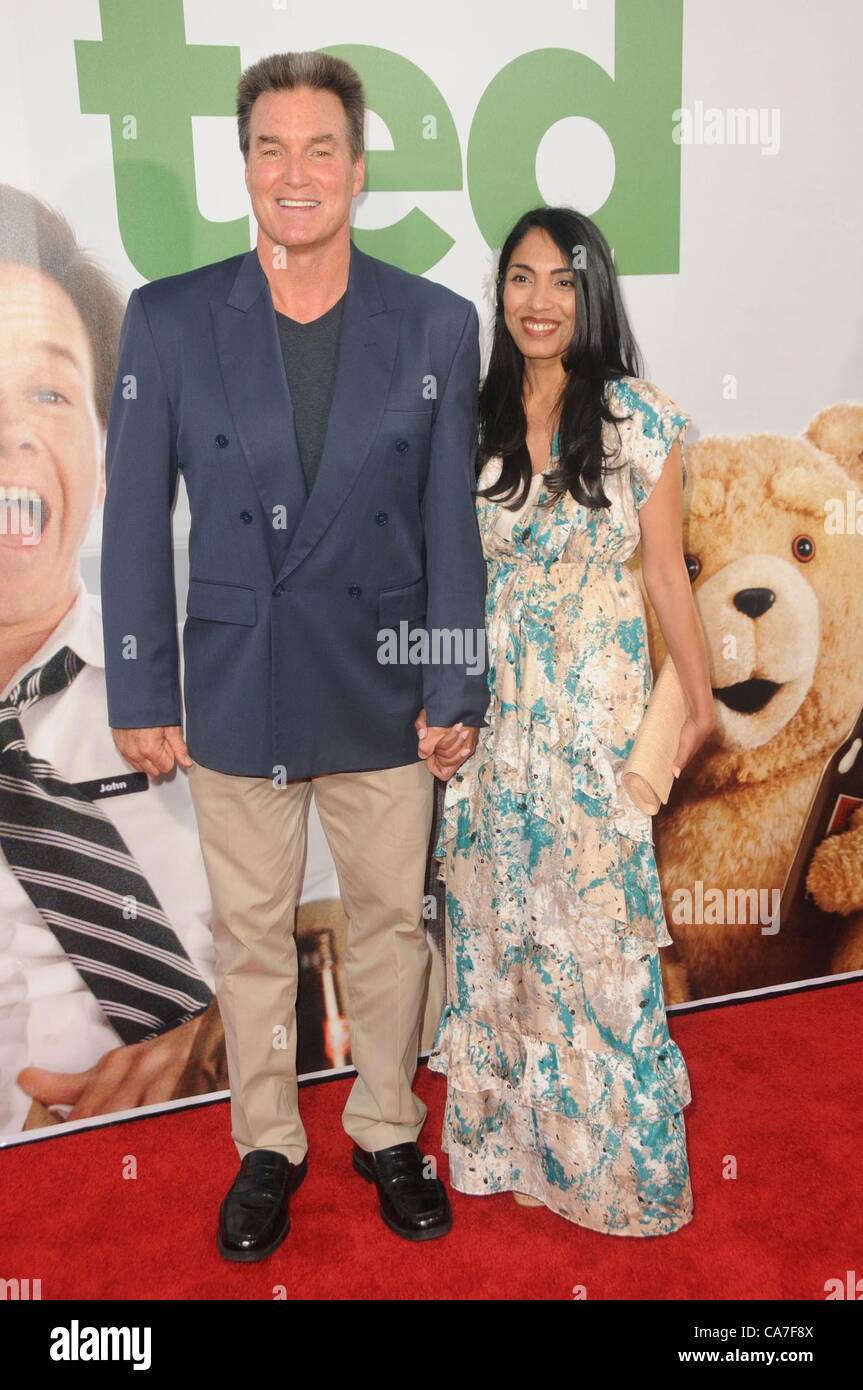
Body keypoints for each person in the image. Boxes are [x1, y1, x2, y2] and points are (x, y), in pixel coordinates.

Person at [100, 51, 488, 1260]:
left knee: (385, 926)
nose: (296, 172)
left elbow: (446, 529)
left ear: (358, 170)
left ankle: (384, 1127)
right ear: (246, 168)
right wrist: (141, 687)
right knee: (253, 937)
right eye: (272, 148)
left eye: (320, 148)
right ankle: (266, 1143)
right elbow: (129, 522)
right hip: (235, 683)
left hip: (384, 683)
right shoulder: (167, 317)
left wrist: (452, 679)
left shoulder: (434, 321)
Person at [425, 206, 716, 1235]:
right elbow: (443, 577)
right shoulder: (469, 418)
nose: (536, 301)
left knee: (596, 945)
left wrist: (699, 700)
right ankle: (512, 1148)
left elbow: (673, 584)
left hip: (593, 725)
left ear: (589, 295)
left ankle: (620, 1178)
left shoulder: (642, 419)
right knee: (499, 933)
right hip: (496, 728)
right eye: (518, 278)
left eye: (559, 280)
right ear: (497, 292)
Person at [0, 185, 219, 1139]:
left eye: (48, 392)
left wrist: (237, 1034)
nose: (12, 434)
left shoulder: (200, 674)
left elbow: (347, 942)